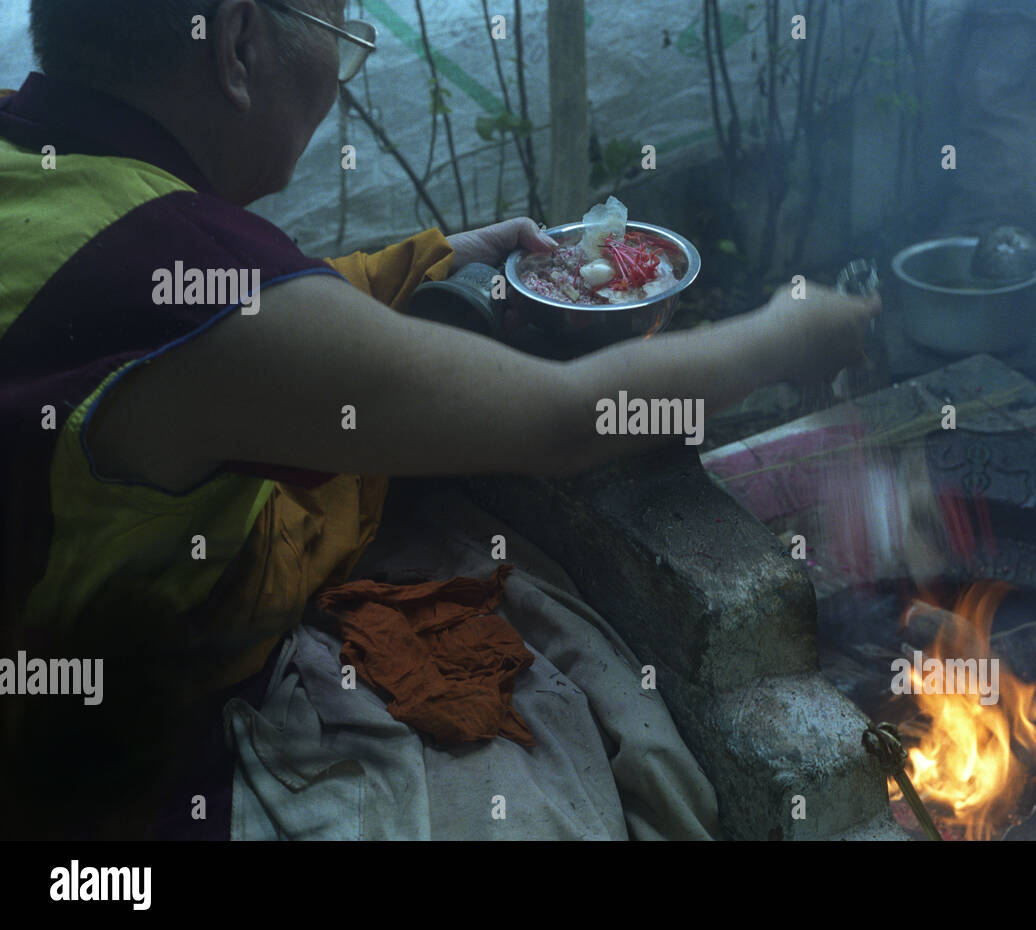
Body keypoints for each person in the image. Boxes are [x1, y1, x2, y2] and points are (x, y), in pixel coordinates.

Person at [0, 0, 878, 839]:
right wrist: (781, 335)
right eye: (335, 34)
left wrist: (440, 258)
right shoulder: (186, 289)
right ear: (237, 48)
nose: (340, 70)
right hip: (84, 775)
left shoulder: (42, 167)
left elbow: (279, 304)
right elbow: (565, 422)